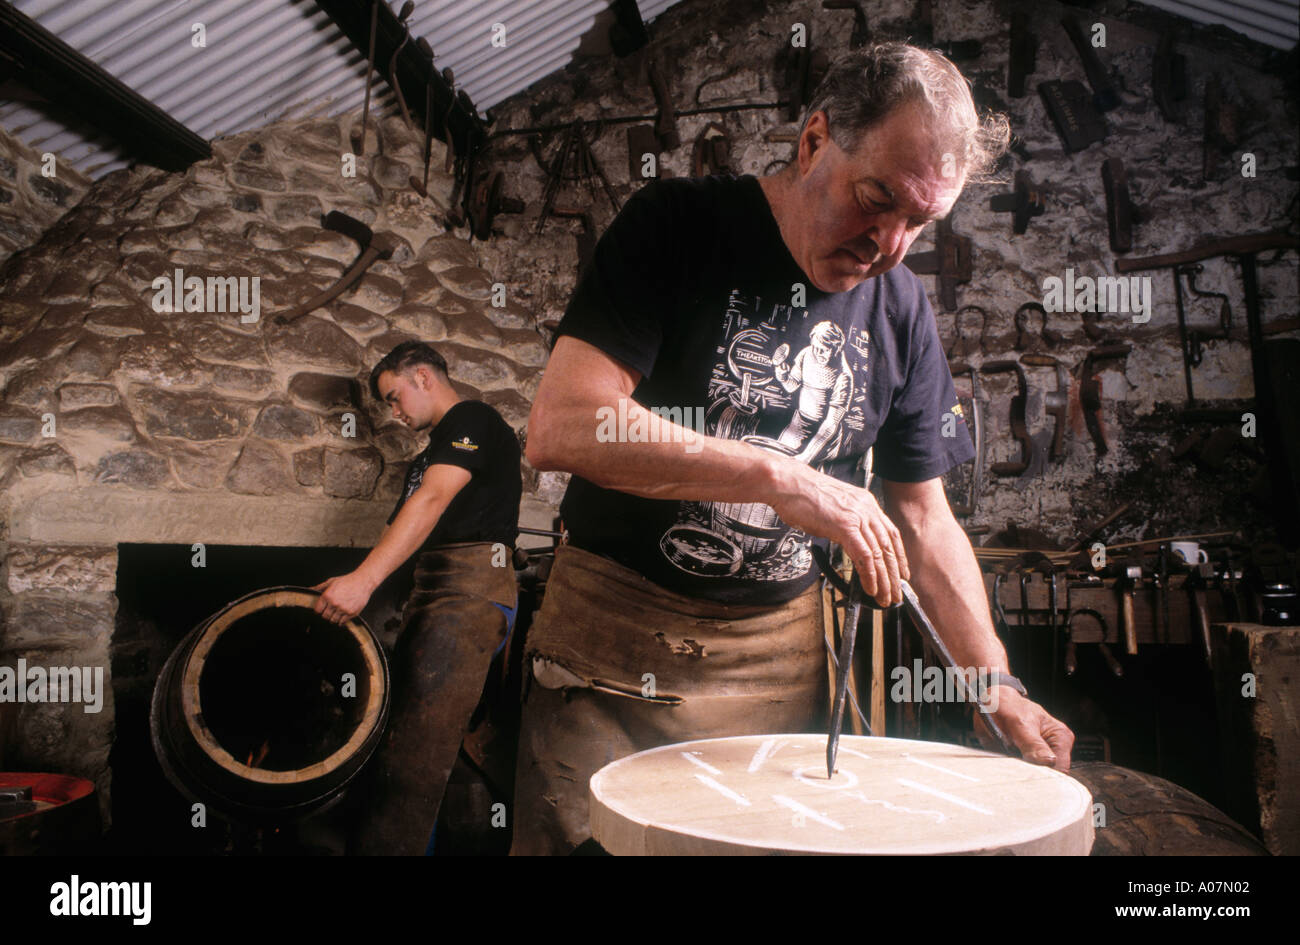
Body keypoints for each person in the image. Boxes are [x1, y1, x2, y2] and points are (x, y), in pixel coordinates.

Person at [510, 43, 1076, 855]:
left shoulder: (903, 309)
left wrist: (996, 682)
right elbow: (564, 423)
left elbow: (925, 518)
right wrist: (780, 477)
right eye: (875, 198)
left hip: (780, 674)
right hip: (613, 660)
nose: (887, 244)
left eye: (919, 222)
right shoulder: (677, 227)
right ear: (814, 141)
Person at [312, 341, 522, 855]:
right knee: (405, 740)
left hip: (470, 593)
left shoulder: (473, 418)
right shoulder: (430, 455)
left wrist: (362, 582)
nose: (395, 413)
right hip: (436, 593)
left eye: (394, 397)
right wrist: (360, 580)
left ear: (423, 377)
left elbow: (433, 500)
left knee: (412, 759)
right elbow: (413, 525)